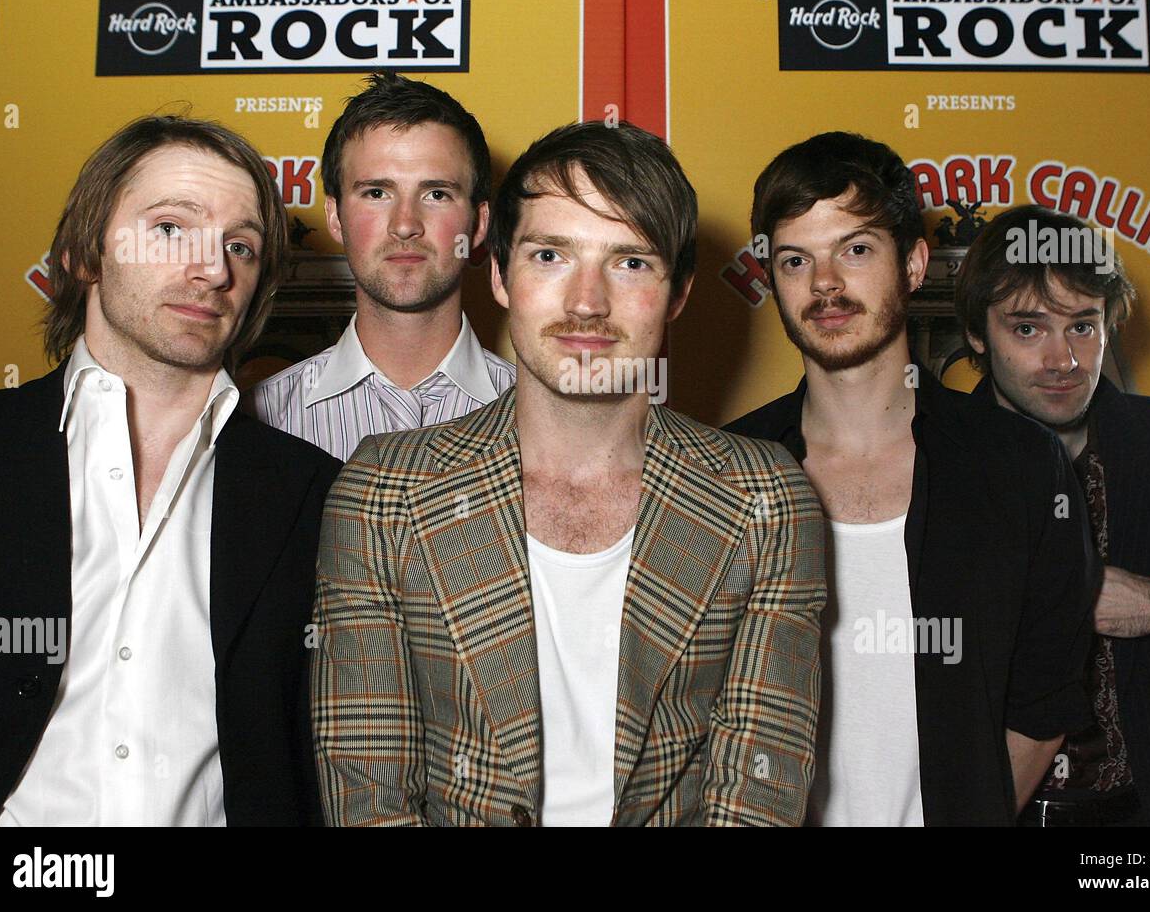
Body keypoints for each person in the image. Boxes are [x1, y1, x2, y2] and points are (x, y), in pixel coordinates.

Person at [312, 121, 826, 826]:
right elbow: (369, 797)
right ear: (498, 272)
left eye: (631, 262)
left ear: (678, 293)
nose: (587, 301)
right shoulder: (385, 492)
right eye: (551, 255)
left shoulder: (763, 497)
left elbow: (755, 797)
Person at [0, 115, 340, 826]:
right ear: (84, 252)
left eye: (241, 245)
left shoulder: (313, 494)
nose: (214, 268)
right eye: (171, 228)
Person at [726, 132, 1098, 826]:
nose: (826, 283)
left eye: (856, 249)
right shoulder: (727, 470)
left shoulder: (1017, 465)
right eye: (795, 259)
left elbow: (1044, 706)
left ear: (915, 263)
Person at [956, 203, 1150, 826]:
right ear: (975, 335)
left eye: (1083, 326)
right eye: (1027, 328)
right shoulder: (928, 460)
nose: (1063, 360)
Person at [254, 71, 514, 460]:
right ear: (335, 217)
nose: (405, 224)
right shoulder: (259, 420)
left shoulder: (548, 421)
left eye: (437, 193)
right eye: (376, 192)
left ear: (479, 224)